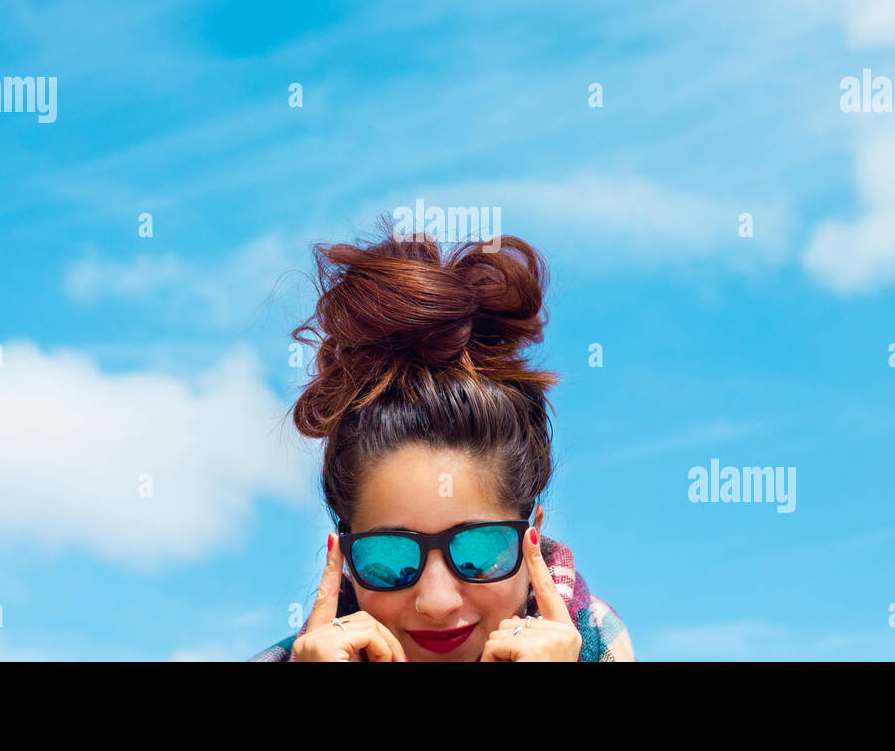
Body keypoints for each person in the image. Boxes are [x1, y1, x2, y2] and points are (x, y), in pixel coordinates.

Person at [249, 219, 634, 661]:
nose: (436, 602)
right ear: (347, 562)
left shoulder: (600, 644)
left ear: (533, 538)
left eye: (477, 550)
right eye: (391, 560)